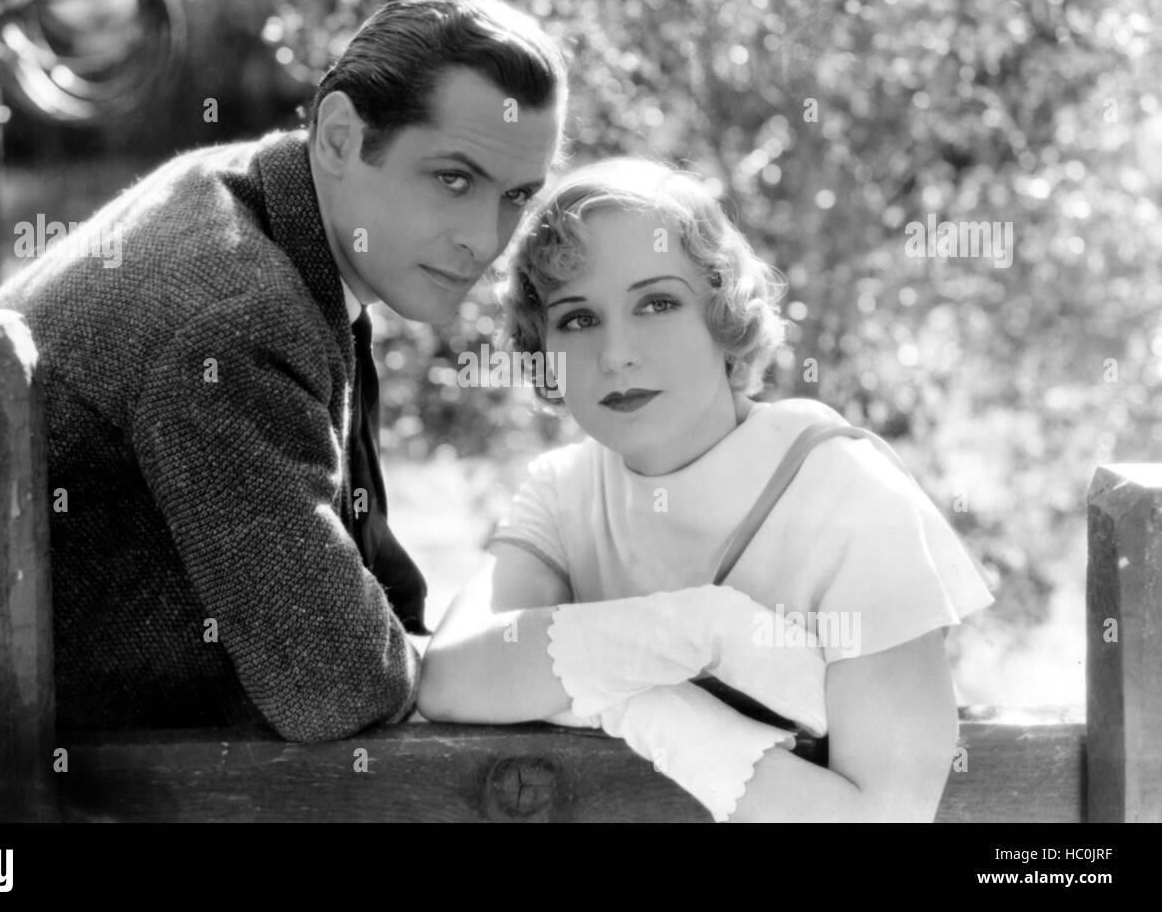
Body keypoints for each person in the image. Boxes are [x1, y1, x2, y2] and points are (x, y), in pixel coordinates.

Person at [0, 0, 566, 741]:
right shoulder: (235, 316)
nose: (484, 238)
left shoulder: (261, 212)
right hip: (5, 787)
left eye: (516, 196)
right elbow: (338, 688)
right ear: (338, 137)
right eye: (453, 179)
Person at [417, 158, 994, 821]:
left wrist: (639, 705)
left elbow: (884, 816)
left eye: (657, 303)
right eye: (577, 319)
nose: (617, 352)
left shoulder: (848, 495)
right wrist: (703, 630)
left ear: (723, 316)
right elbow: (453, 676)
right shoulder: (563, 490)